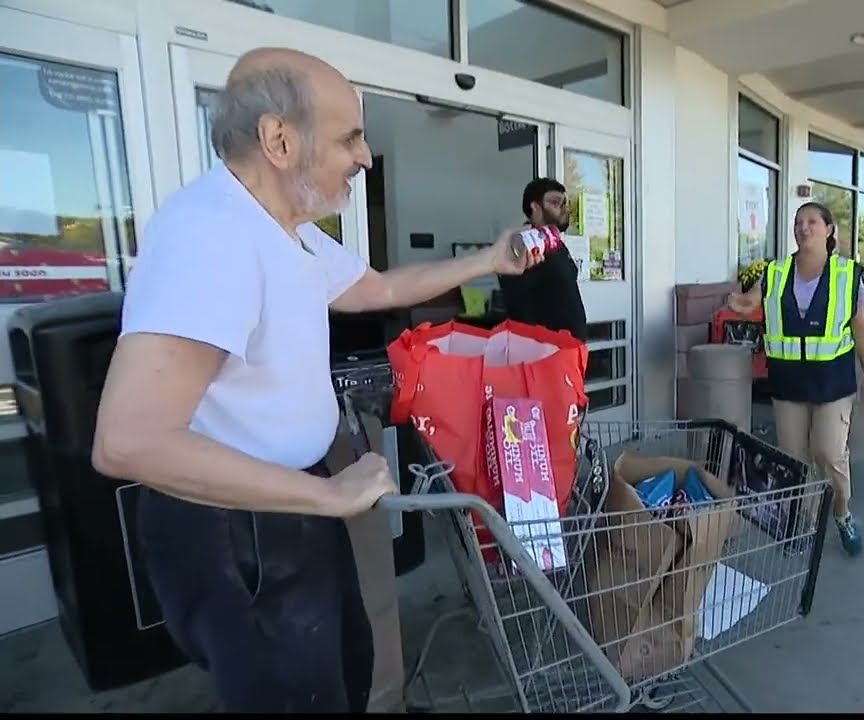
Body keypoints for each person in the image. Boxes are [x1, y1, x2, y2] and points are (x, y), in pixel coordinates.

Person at [90, 47, 540, 713]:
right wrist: (328, 497)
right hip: (236, 530)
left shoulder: (286, 229)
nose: (365, 156)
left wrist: (489, 260)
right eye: (350, 137)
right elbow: (127, 440)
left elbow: (379, 287)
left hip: (290, 506)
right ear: (279, 139)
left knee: (344, 675)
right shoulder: (212, 237)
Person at [727, 202, 864, 557]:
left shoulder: (847, 273)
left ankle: (841, 513)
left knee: (827, 452)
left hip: (833, 383)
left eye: (812, 221)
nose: (803, 227)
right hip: (789, 382)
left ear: (828, 230)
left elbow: (861, 327)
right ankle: (805, 523)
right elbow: (750, 303)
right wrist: (738, 301)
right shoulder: (777, 271)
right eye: (798, 222)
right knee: (794, 460)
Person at [496, 178, 588, 341]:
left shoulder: (554, 243)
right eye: (555, 202)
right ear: (535, 207)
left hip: (571, 348)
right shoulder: (522, 246)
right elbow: (518, 307)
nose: (564, 208)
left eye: (565, 203)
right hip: (545, 351)